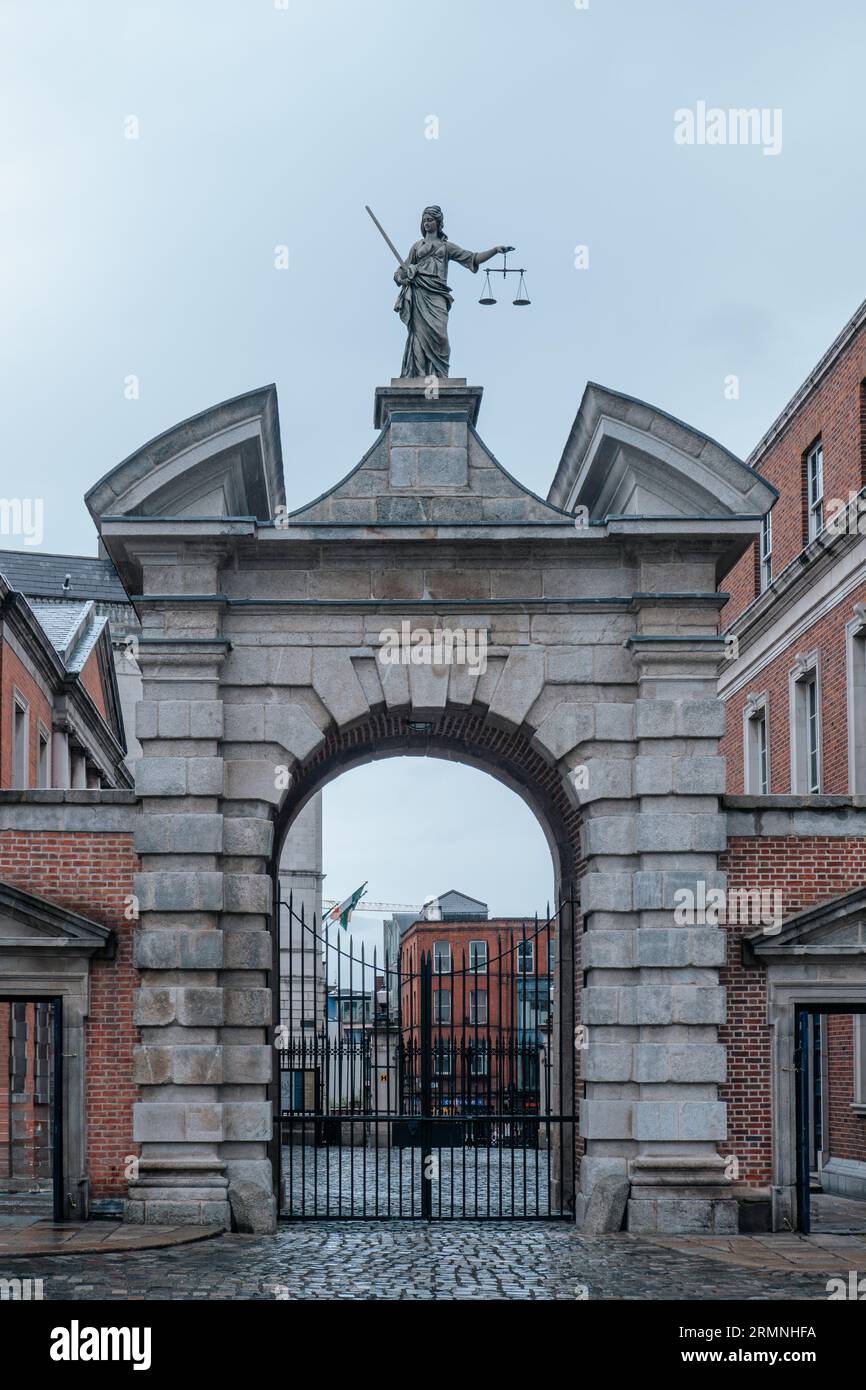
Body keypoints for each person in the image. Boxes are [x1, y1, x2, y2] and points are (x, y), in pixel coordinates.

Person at [394, 206, 513, 378]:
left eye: (430, 219)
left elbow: (472, 258)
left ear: (438, 222)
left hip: (437, 295)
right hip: (419, 292)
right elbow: (400, 271)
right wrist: (401, 277)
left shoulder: (446, 247)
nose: (427, 223)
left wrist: (495, 250)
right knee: (418, 336)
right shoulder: (416, 247)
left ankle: (438, 375)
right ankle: (419, 376)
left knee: (440, 338)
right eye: (424, 220)